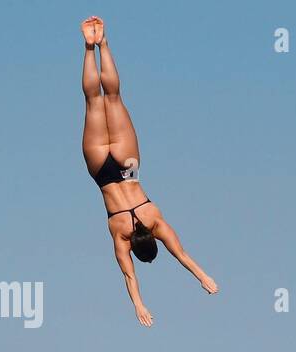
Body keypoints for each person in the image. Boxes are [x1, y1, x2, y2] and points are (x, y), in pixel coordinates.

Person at [80, 15, 218, 326]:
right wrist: (139, 306)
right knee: (92, 101)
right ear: (134, 246)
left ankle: (101, 42)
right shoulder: (120, 235)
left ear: (153, 241)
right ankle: (89, 49)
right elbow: (128, 277)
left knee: (112, 99)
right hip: (102, 173)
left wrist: (203, 276)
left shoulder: (154, 221)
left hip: (129, 170)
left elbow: (181, 254)